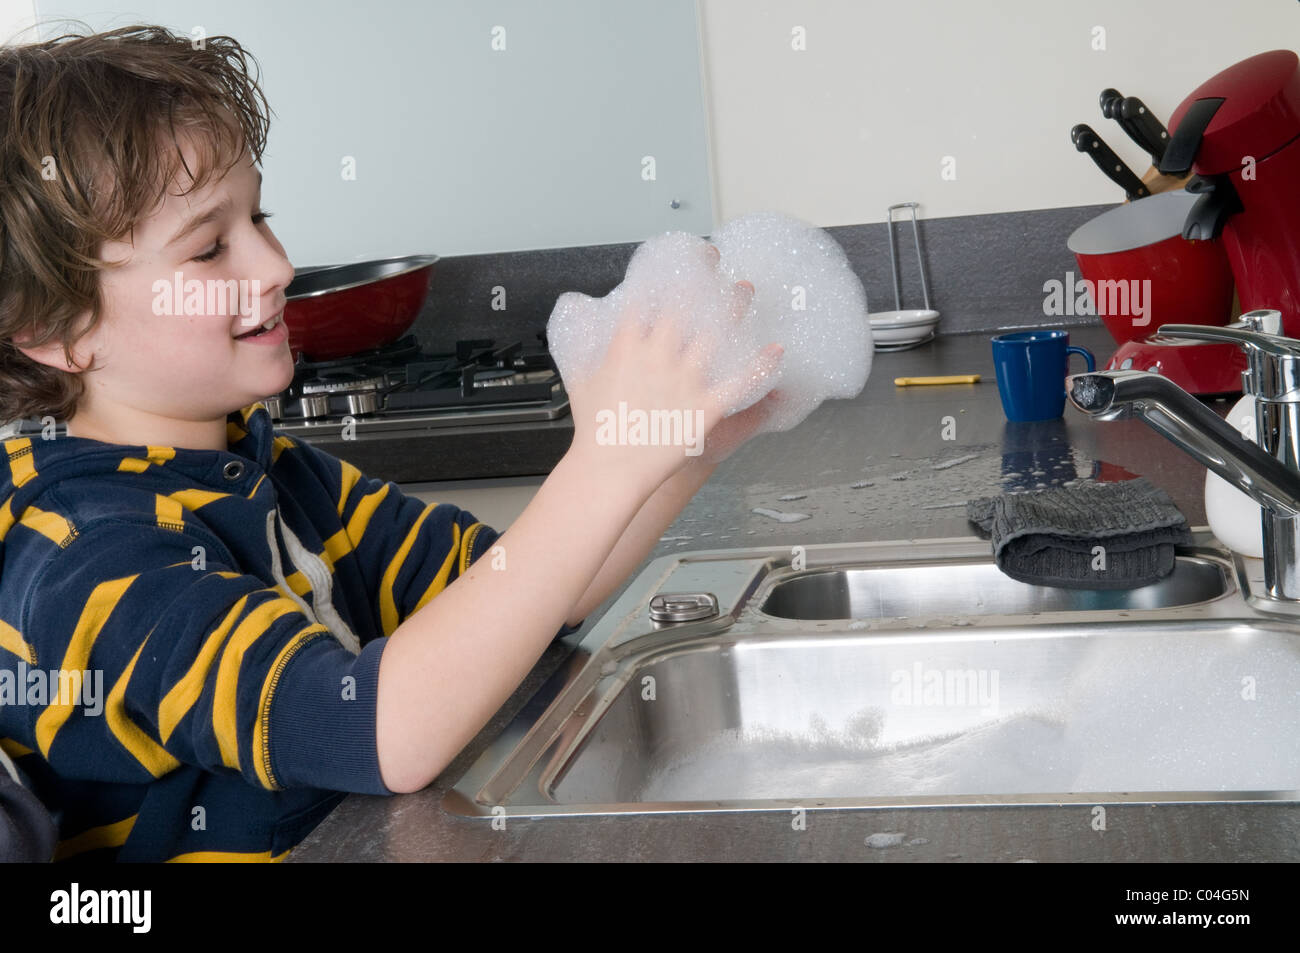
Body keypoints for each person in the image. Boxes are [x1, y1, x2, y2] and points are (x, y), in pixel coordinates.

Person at [0, 23, 782, 861]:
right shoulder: (87, 557)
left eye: (259, 215)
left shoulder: (268, 469)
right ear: (59, 329)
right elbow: (375, 730)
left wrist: (675, 449)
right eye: (209, 246)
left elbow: (529, 591)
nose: (274, 265)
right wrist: (602, 465)